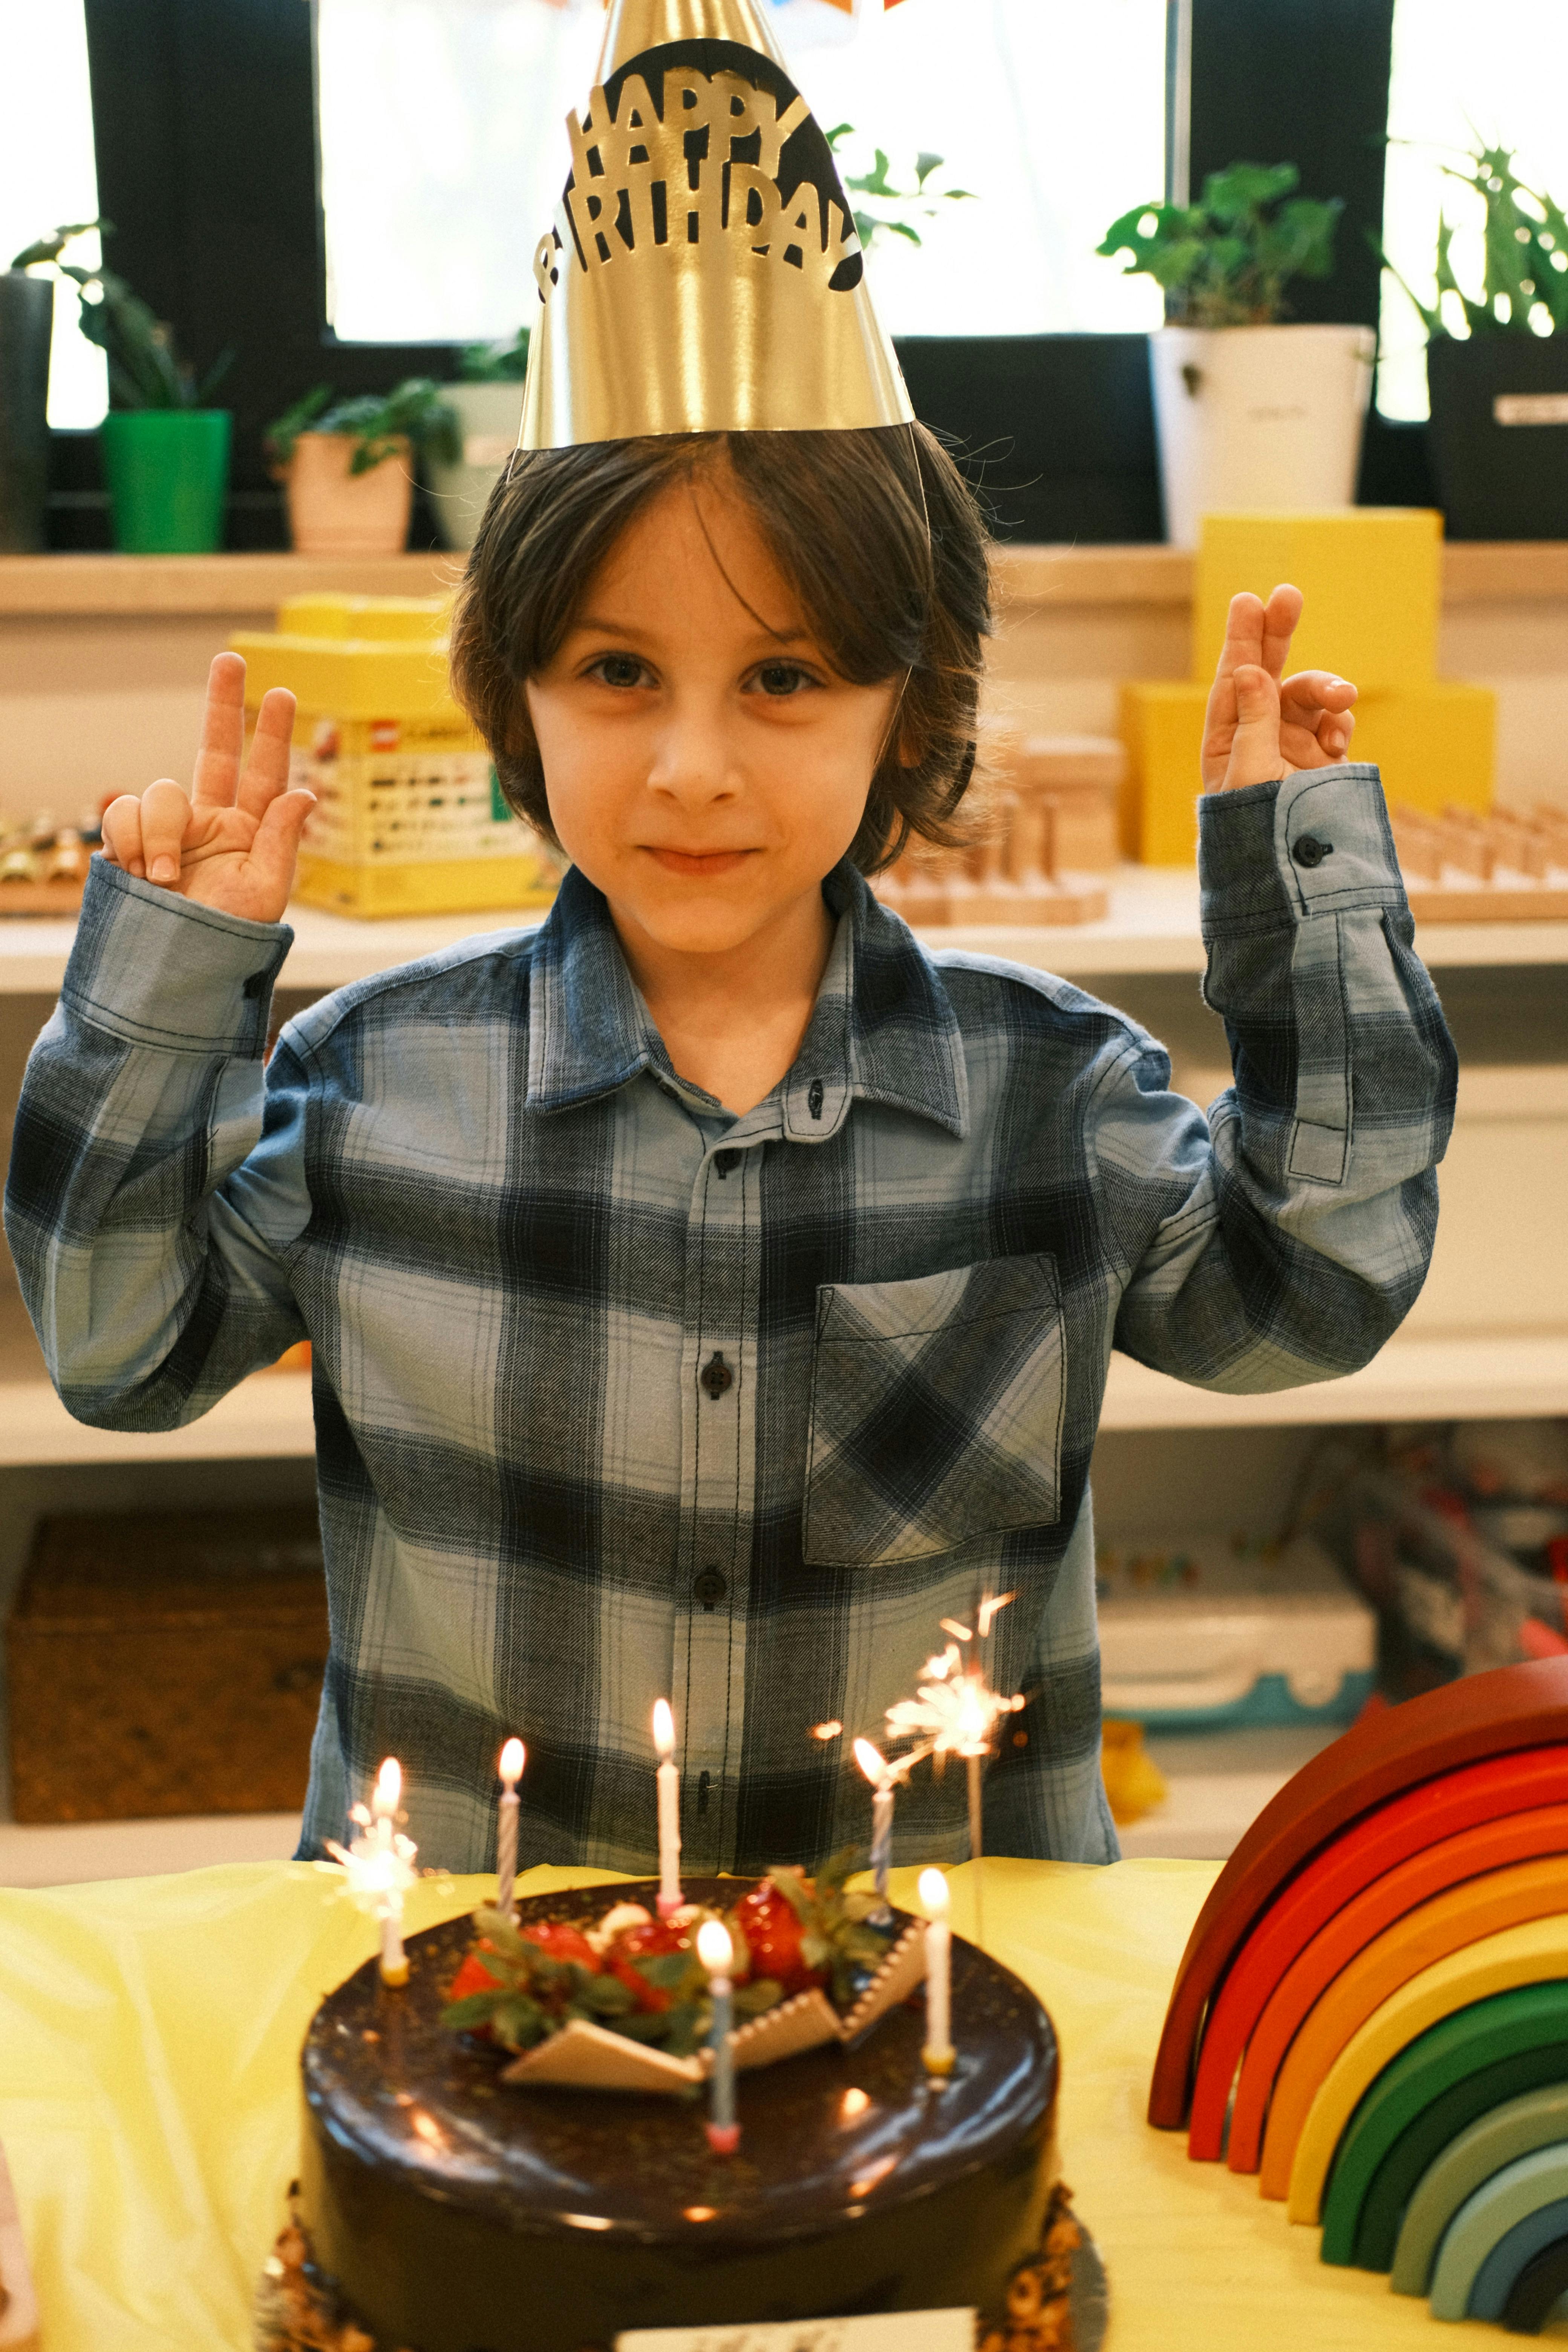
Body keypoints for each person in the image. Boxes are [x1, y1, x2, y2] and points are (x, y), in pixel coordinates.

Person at [3, 2, 1456, 1881]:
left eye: (782, 678)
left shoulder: (1048, 1095)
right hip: (471, 2036)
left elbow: (1308, 1301)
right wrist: (170, 983)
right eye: (616, 672)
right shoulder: (368, 1090)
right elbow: (121, 1352)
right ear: (518, 704)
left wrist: (1298, 877)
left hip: (922, 2044)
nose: (691, 768)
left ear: (902, 713)